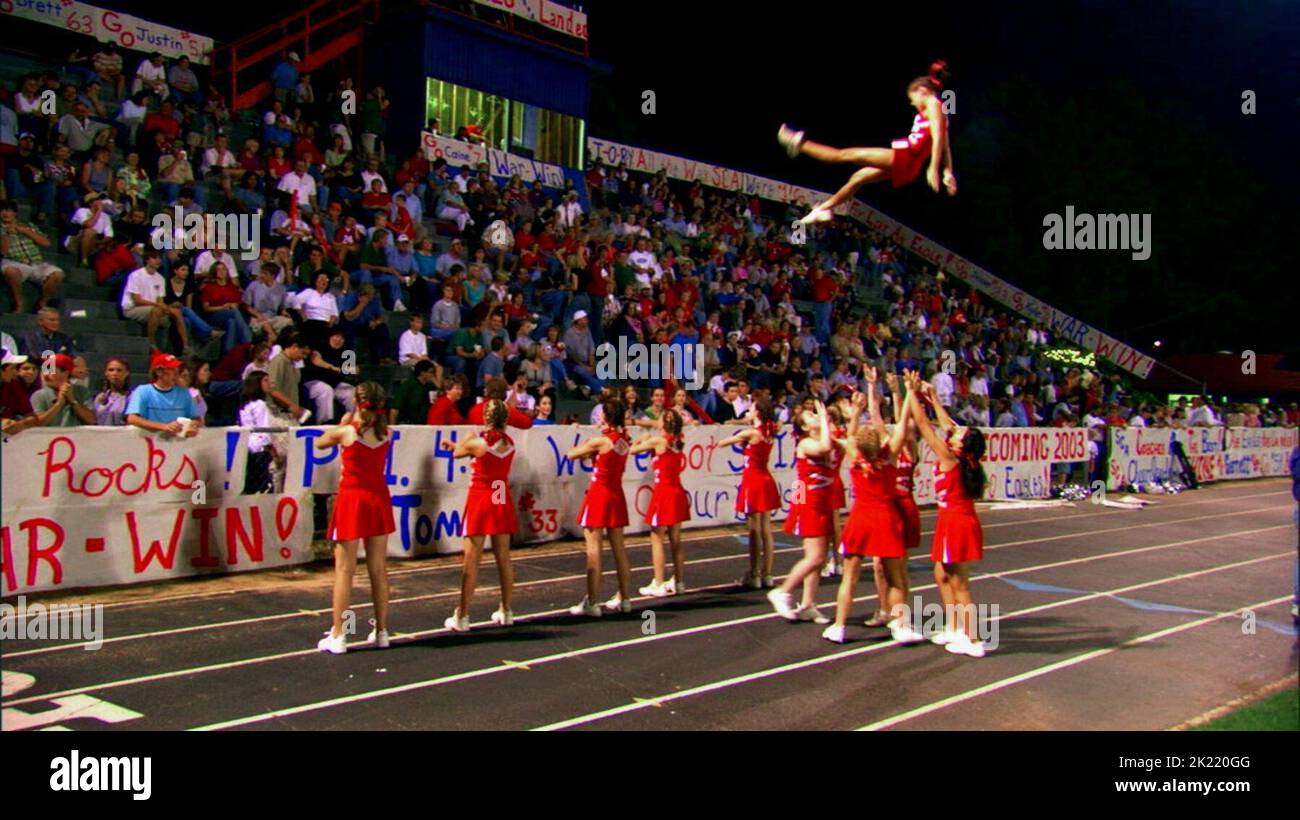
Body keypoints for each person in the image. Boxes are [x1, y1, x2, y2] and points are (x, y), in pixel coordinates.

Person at [778, 60, 957, 223]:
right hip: (909, 164)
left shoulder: (933, 104)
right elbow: (945, 144)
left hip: (906, 156)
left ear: (923, 92)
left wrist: (933, 168)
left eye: (913, 99)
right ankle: (824, 209)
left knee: (845, 155)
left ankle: (798, 143)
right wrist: (947, 172)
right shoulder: (940, 112)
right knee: (858, 178)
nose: (913, 104)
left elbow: (940, 140)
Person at [824, 378, 925, 644]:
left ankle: (839, 625)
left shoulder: (854, 457)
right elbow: (902, 427)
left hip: (860, 517)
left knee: (850, 577)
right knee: (894, 577)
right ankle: (900, 625)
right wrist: (908, 392)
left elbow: (849, 435)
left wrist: (856, 411)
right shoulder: (890, 456)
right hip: (886, 517)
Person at [905, 369, 989, 657]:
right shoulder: (965, 458)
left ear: (961, 445)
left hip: (956, 523)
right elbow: (947, 424)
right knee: (941, 574)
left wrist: (912, 392)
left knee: (959, 582)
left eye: (959, 434)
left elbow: (923, 425)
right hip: (952, 520)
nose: (954, 430)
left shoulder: (948, 457)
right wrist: (933, 397)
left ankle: (974, 639)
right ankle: (954, 627)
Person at [316, 382, 396, 655]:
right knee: (378, 568)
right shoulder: (387, 433)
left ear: (357, 402)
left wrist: (346, 420)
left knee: (344, 570)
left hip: (352, 499)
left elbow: (320, 441)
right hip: (378, 499)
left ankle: (339, 634)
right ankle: (382, 630)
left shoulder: (348, 430)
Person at [442, 399, 518, 632]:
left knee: (472, 560)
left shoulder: (478, 442)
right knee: (503, 557)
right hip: (501, 494)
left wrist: (462, 439)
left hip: (482, 495)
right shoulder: (510, 443)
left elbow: (457, 453)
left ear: (486, 417)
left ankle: (463, 614)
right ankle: (506, 609)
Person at [566, 396, 634, 616]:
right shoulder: (624, 440)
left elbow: (571, 454)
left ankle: (592, 602)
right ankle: (625, 598)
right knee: (619, 549)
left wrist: (589, 447)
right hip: (616, 494)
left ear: (606, 416)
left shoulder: (602, 440)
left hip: (599, 494)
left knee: (594, 550)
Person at [768, 399, 834, 624]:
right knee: (815, 557)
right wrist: (825, 420)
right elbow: (825, 448)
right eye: (811, 417)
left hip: (822, 502)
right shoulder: (805, 443)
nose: (816, 417)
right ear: (805, 427)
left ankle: (808, 604)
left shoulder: (821, 437)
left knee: (818, 558)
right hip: (811, 503)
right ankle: (782, 591)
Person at [718, 399, 782, 588]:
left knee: (754, 530)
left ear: (758, 413)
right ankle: (767, 573)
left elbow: (724, 442)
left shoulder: (752, 433)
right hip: (765, 479)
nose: (749, 410)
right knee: (766, 529)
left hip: (753, 480)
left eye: (752, 408)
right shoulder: (769, 431)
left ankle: (754, 574)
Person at [633, 409, 692, 596]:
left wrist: (644, 439)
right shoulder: (677, 441)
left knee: (656, 536)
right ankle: (680, 581)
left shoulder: (659, 441)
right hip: (677, 490)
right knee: (676, 539)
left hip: (664, 493)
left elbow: (632, 450)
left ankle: (658, 582)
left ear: (664, 423)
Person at [125, 351, 202, 435]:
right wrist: (164, 426)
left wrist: (193, 424)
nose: (176, 373)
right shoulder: (143, 391)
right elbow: (132, 418)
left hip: (178, 444)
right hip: (150, 443)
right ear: (159, 372)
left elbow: (196, 418)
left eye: (177, 369)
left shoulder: (184, 393)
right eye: (172, 369)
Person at [93, 357, 131, 425]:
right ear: (106, 373)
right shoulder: (99, 397)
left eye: (119, 370)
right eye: (111, 370)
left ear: (127, 373)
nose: (115, 373)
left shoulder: (132, 397)